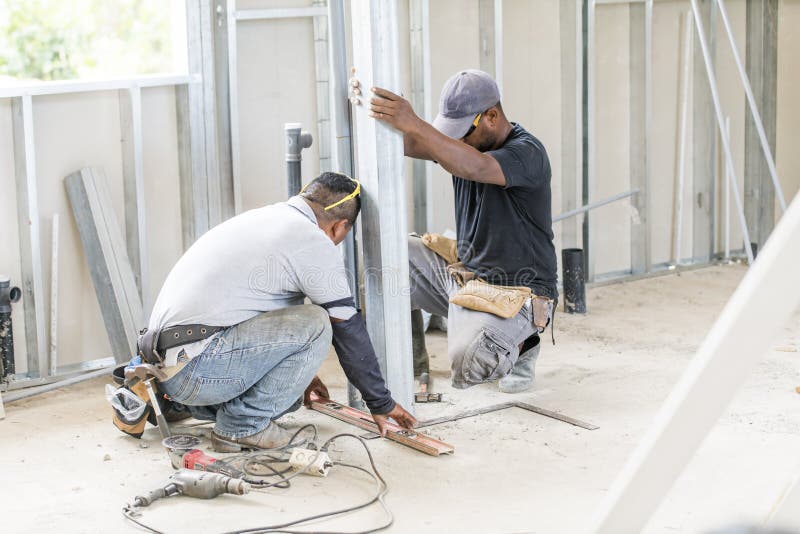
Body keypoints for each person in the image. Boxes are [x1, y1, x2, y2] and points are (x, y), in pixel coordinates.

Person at [140, 172, 416, 452]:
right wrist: (380, 402)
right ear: (340, 227)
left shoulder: (263, 219)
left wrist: (301, 375)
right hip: (199, 371)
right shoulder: (310, 238)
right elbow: (346, 327)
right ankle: (241, 427)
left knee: (290, 397)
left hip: (166, 370)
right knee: (318, 322)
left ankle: (175, 403)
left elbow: (254, 316)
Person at [370, 69, 557, 393]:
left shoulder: (528, 153)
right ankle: (448, 336)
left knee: (467, 360)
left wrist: (414, 122)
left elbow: (476, 166)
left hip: (516, 291)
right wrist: (366, 112)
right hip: (466, 275)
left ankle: (524, 343)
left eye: (461, 133)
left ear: (492, 116)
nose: (454, 140)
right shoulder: (464, 146)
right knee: (386, 258)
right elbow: (415, 143)